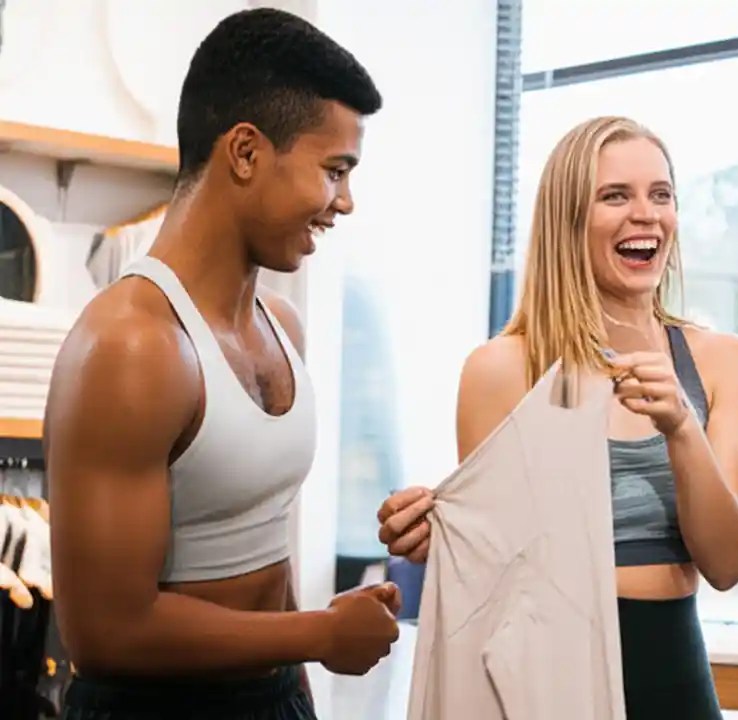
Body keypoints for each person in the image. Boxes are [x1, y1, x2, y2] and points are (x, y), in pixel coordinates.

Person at [44, 9, 401, 719]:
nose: (346, 202)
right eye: (334, 170)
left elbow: (267, 542)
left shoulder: (283, 327)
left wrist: (299, 674)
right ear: (244, 151)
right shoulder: (131, 347)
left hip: (272, 695)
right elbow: (106, 634)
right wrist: (320, 634)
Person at [378, 116, 738, 718]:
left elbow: (729, 564)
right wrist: (435, 535)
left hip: (676, 680)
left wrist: (683, 429)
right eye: (616, 195)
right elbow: (496, 577)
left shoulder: (722, 362)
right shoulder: (502, 369)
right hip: (549, 687)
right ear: (568, 219)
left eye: (661, 195)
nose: (646, 214)